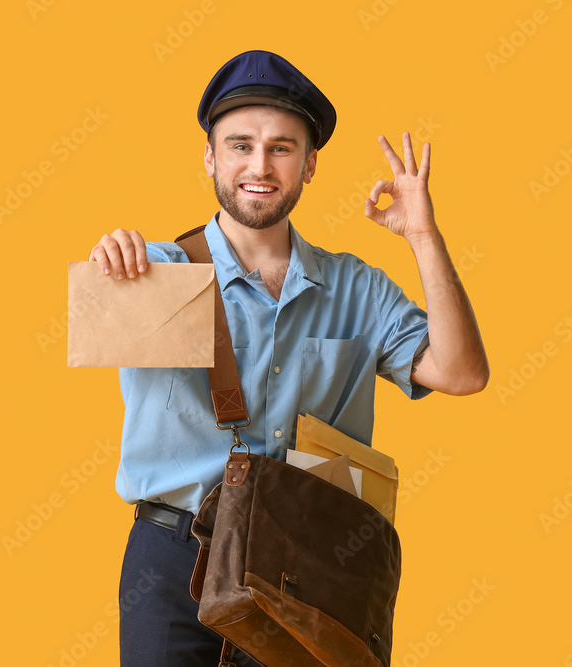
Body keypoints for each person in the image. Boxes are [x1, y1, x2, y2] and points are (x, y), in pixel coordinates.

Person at [87, 49, 490, 666]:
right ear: (210, 157)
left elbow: (462, 373)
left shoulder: (358, 289)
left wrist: (423, 237)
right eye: (240, 144)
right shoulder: (157, 274)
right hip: (172, 558)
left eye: (282, 147)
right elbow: (94, 310)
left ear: (309, 165)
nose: (260, 164)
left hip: (306, 565)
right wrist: (109, 260)